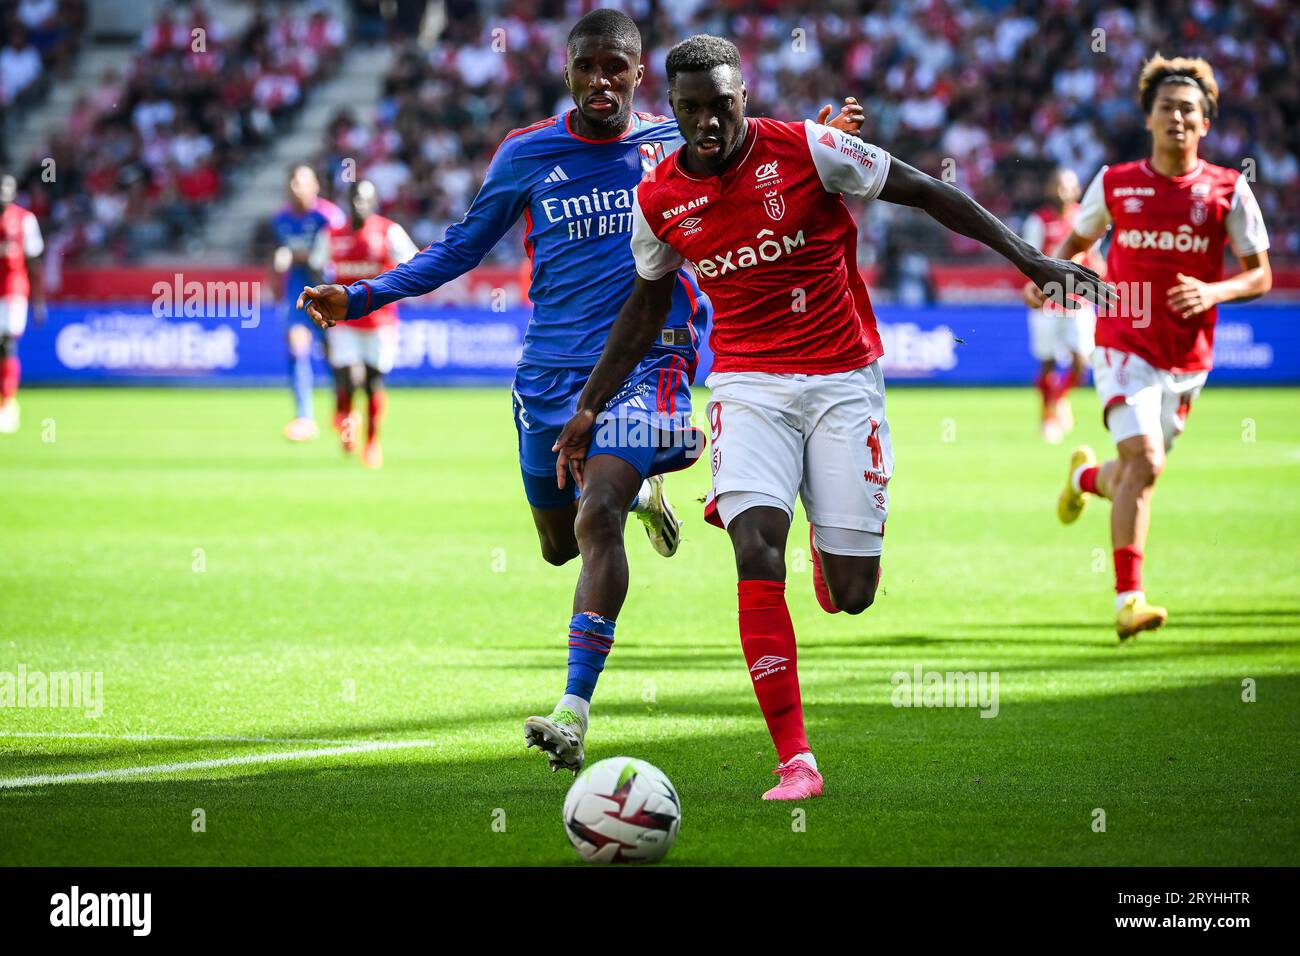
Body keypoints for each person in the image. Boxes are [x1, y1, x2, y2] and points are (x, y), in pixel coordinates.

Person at [298, 9, 865, 775]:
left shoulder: (674, 138)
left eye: (617, 67)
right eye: (588, 67)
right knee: (559, 546)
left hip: (650, 358)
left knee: (594, 511)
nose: (603, 81)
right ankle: (645, 488)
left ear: (639, 74)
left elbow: (759, 151)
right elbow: (462, 246)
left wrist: (817, 140)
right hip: (548, 377)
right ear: (567, 71)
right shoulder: (528, 153)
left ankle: (573, 709)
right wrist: (364, 297)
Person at [553, 34, 1110, 800]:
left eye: (722, 107)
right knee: (755, 552)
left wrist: (1030, 260)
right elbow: (646, 305)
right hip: (748, 385)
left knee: (850, 593)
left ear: (744, 96)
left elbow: (926, 190)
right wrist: (589, 407)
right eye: (691, 111)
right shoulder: (659, 200)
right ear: (673, 109)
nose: (708, 125)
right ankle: (795, 761)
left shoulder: (812, 149)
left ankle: (833, 538)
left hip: (844, 379)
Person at [1049, 55, 1271, 639]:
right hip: (1123, 341)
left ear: (1205, 124)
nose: (1177, 118)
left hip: (1187, 360)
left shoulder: (1228, 190)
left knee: (1130, 472)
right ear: (1148, 118)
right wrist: (1042, 280)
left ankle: (1082, 481)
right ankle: (1129, 599)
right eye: (1167, 108)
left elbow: (1261, 275)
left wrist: (1214, 290)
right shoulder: (1116, 183)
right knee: (1146, 464)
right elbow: (1071, 248)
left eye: (1189, 111)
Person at [326, 180, 418, 468]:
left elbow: (415, 263)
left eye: (365, 199)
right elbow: (318, 265)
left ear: (374, 202)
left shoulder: (389, 231)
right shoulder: (331, 234)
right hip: (345, 321)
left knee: (373, 381)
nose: (359, 205)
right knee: (350, 377)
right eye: (355, 198)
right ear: (348, 200)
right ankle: (346, 418)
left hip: (381, 321)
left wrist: (394, 288)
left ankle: (372, 442)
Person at [1021, 167, 1098, 443]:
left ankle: (1059, 400)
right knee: (1048, 363)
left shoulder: (1085, 216)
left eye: (1067, 185)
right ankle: (1047, 416)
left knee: (1081, 363)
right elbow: (1027, 258)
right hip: (1047, 303)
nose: (1061, 190)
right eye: (1056, 185)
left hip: (1078, 303)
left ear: (1077, 189)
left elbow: (1094, 258)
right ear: (1048, 189)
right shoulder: (1038, 220)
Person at [272, 164, 343, 441]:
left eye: (301, 182)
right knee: (296, 347)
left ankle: (343, 411)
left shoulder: (329, 217)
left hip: (328, 293)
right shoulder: (280, 219)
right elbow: (276, 257)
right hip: (296, 294)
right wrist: (275, 287)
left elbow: (335, 254)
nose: (295, 187)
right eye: (292, 181)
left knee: (335, 356)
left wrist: (295, 255)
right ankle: (304, 417)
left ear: (315, 186)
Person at [0, 173, 45, 434]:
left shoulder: (25, 220)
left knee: (6, 343)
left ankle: (8, 403)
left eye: (7, 188)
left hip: (13, 292)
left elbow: (34, 263)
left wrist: (39, 301)